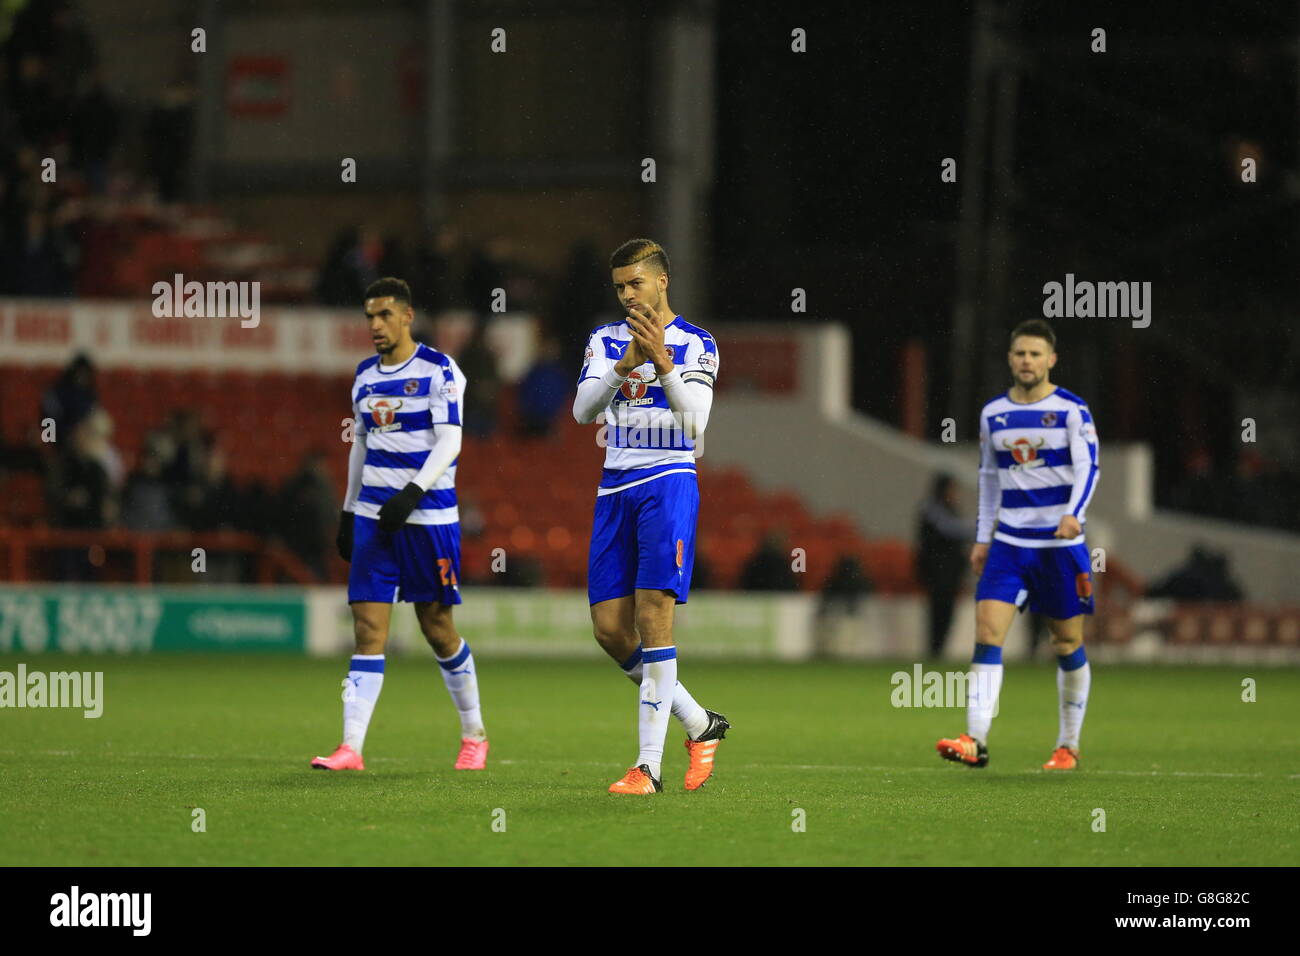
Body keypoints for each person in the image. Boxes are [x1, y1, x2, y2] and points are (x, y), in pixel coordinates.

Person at [312, 277, 489, 772]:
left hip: (428, 518)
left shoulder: (439, 370)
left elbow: (450, 440)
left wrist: (411, 493)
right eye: (369, 316)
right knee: (368, 629)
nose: (375, 325)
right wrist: (349, 510)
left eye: (384, 315)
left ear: (408, 316)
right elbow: (361, 446)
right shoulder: (365, 376)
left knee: (437, 629)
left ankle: (474, 733)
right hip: (374, 518)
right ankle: (351, 747)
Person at [572, 238, 729, 795]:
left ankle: (648, 768)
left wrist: (663, 365)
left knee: (652, 618)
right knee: (610, 630)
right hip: (614, 485)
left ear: (663, 281)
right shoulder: (604, 339)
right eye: (619, 286)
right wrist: (622, 367)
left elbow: (694, 427)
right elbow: (582, 410)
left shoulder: (696, 343)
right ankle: (700, 723)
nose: (626, 295)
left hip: (668, 482)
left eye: (635, 283)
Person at [936, 319, 1100, 772]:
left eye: (1035, 354)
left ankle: (1068, 744)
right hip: (1008, 544)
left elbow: (1090, 468)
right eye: (1019, 354)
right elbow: (989, 479)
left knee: (1066, 643)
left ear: (1051, 360)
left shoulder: (1071, 410)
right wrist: (983, 536)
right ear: (1010, 359)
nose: (1026, 361)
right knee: (987, 635)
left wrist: (1074, 514)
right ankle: (975, 739)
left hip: (1059, 546)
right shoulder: (993, 414)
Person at [915, 474, 972, 658]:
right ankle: (934, 650)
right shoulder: (932, 508)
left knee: (946, 611)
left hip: (951, 571)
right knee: (938, 611)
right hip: (937, 570)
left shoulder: (949, 509)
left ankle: (939, 650)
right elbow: (950, 529)